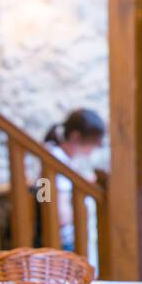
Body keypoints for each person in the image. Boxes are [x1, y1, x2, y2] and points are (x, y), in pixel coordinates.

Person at [42, 109, 105, 256]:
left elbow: (43, 193)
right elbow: (58, 211)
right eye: (93, 143)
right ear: (76, 137)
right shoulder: (55, 161)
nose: (93, 149)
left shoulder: (53, 154)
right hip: (61, 239)